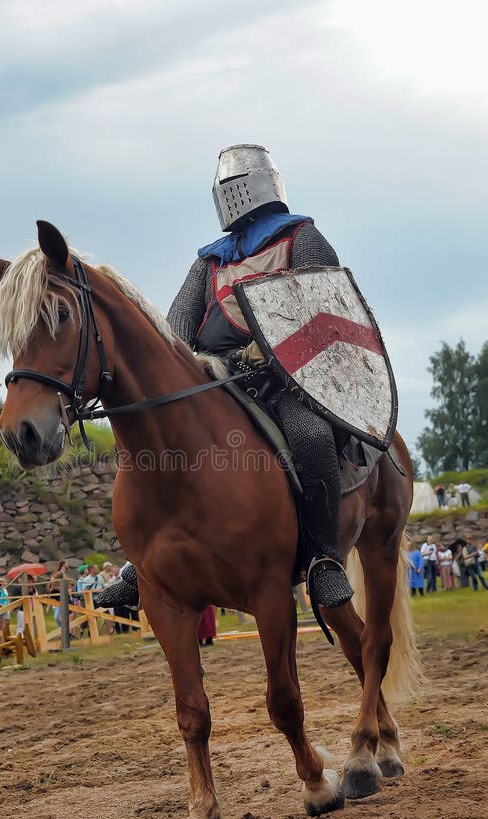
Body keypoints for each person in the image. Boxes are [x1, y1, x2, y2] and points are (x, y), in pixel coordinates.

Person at [97, 143, 364, 614]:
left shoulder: (300, 239)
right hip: (218, 382)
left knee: (309, 436)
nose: (230, 195)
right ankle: (146, 561)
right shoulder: (212, 261)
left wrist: (275, 350)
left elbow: (327, 316)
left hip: (286, 382)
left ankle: (323, 559)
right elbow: (177, 329)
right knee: (165, 447)